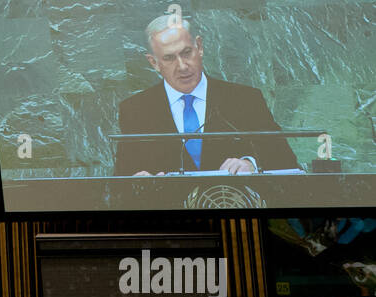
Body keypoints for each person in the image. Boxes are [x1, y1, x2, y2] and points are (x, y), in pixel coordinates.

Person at [113, 14, 298, 177]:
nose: (183, 66)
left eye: (187, 53)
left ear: (199, 47)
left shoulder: (245, 99)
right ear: (154, 62)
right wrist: (138, 181)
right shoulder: (135, 109)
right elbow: (123, 176)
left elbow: (286, 160)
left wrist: (251, 164)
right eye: (169, 58)